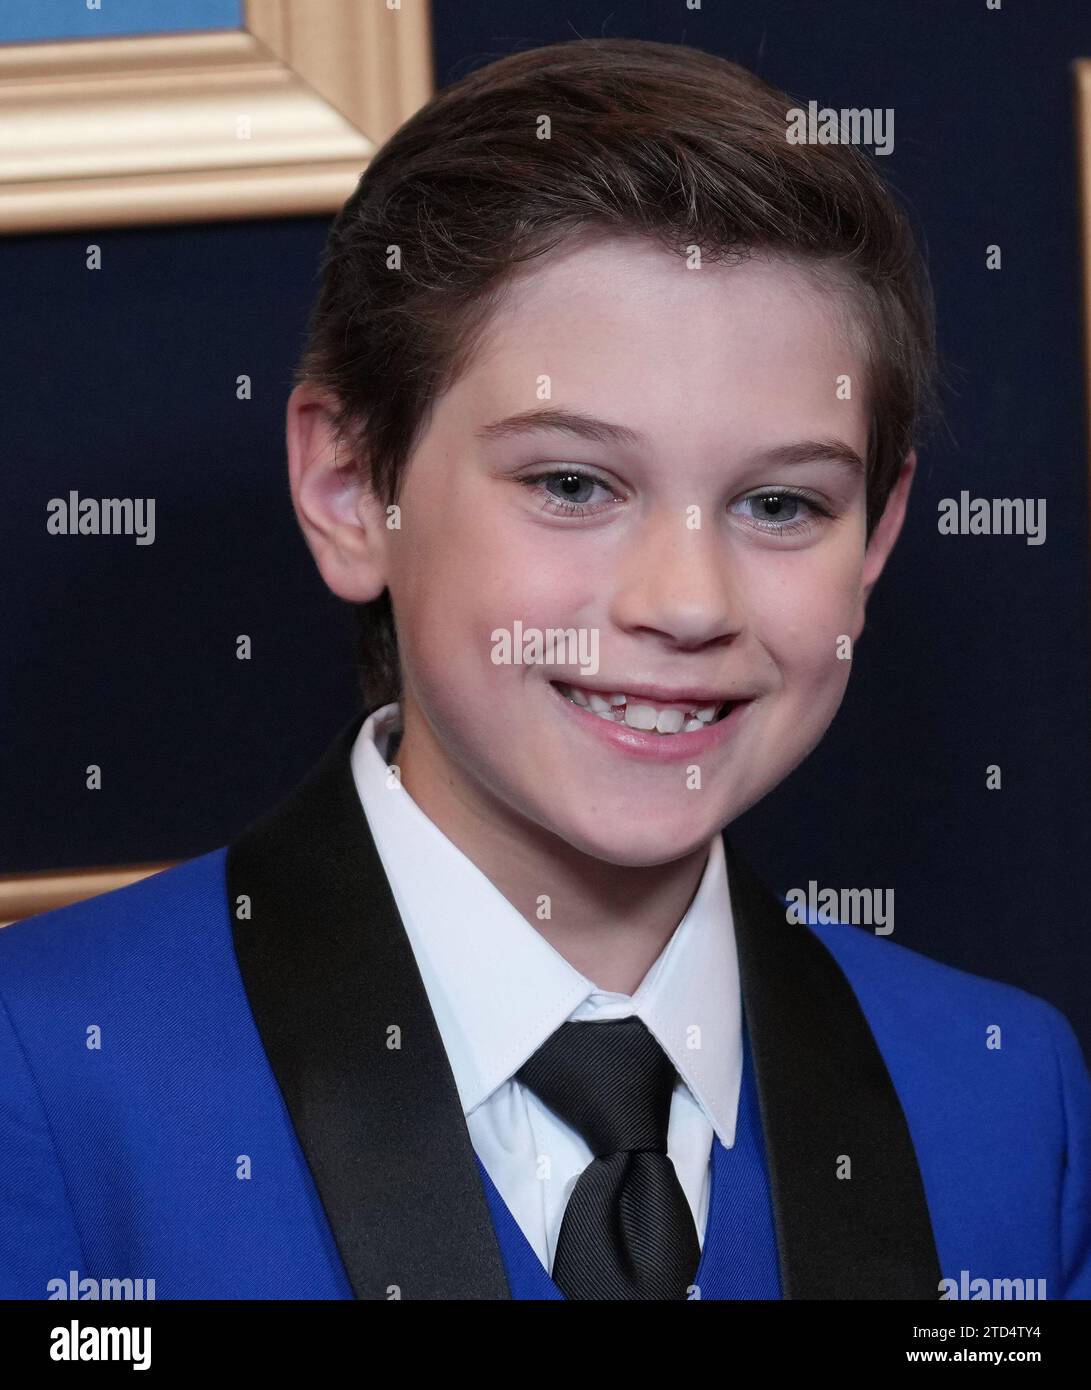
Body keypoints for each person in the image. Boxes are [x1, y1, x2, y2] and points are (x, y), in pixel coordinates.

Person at [1, 37, 1088, 1302]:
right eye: (572, 484)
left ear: (877, 536)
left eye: (781, 504)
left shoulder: (1003, 1100)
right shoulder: (47, 1070)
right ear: (351, 488)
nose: (684, 603)